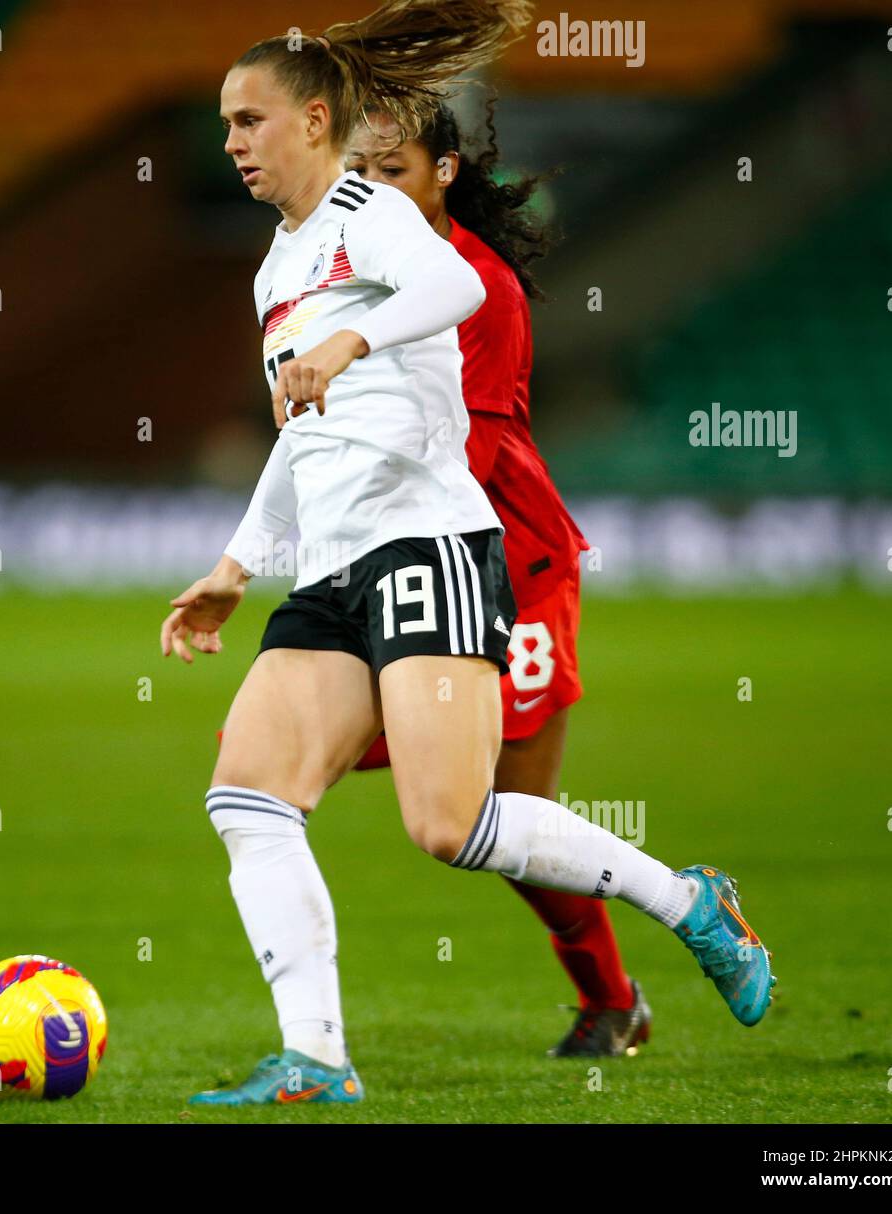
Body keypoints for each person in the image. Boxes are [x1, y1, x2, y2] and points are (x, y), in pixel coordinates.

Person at [162, 0, 774, 1107]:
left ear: (313, 119)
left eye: (249, 121)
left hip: (429, 545)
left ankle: (687, 902)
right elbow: (302, 432)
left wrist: (351, 336)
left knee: (452, 825)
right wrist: (237, 564)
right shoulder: (277, 266)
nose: (233, 143)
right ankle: (316, 1057)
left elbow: (456, 285)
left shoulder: (370, 214)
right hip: (333, 571)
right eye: (223, 127)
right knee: (246, 793)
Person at [344, 101, 649, 1057]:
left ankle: (616, 994)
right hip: (408, 555)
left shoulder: (477, 286)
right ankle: (309, 1044)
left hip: (506, 562)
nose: (372, 194)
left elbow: (461, 449)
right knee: (266, 768)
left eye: (393, 173)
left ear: (443, 173)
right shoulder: (347, 273)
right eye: (362, 176)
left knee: (505, 824)